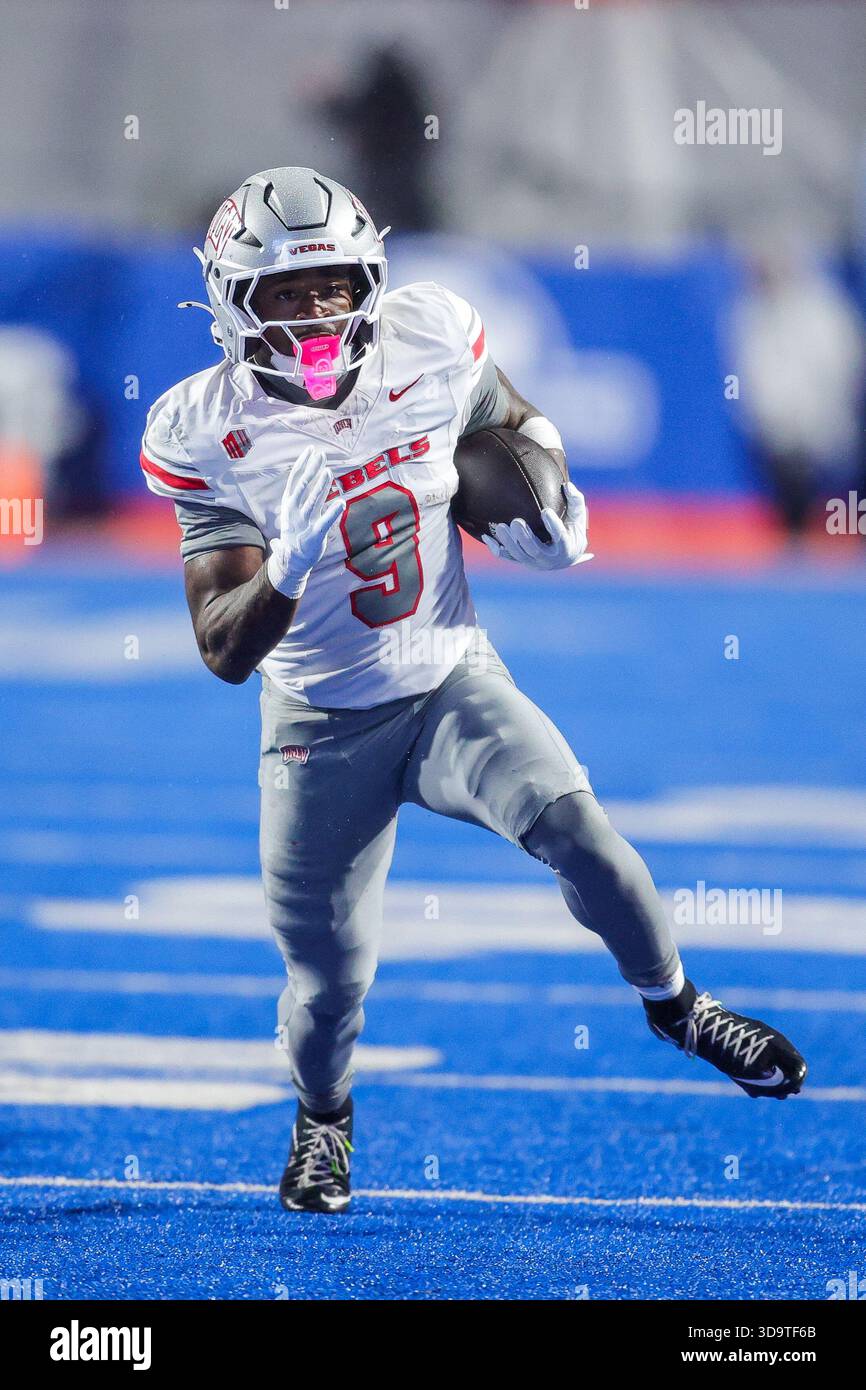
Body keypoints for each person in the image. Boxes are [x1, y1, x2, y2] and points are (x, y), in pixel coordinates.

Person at [141, 167, 807, 1214]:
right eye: (288, 290)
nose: (318, 310)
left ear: (371, 277)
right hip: (319, 721)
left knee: (587, 835)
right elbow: (224, 648)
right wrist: (285, 564)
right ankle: (323, 1120)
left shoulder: (428, 337)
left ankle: (678, 1007)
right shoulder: (202, 430)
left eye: (334, 283)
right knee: (326, 982)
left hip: (448, 674)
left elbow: (512, 419)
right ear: (231, 301)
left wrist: (552, 505)